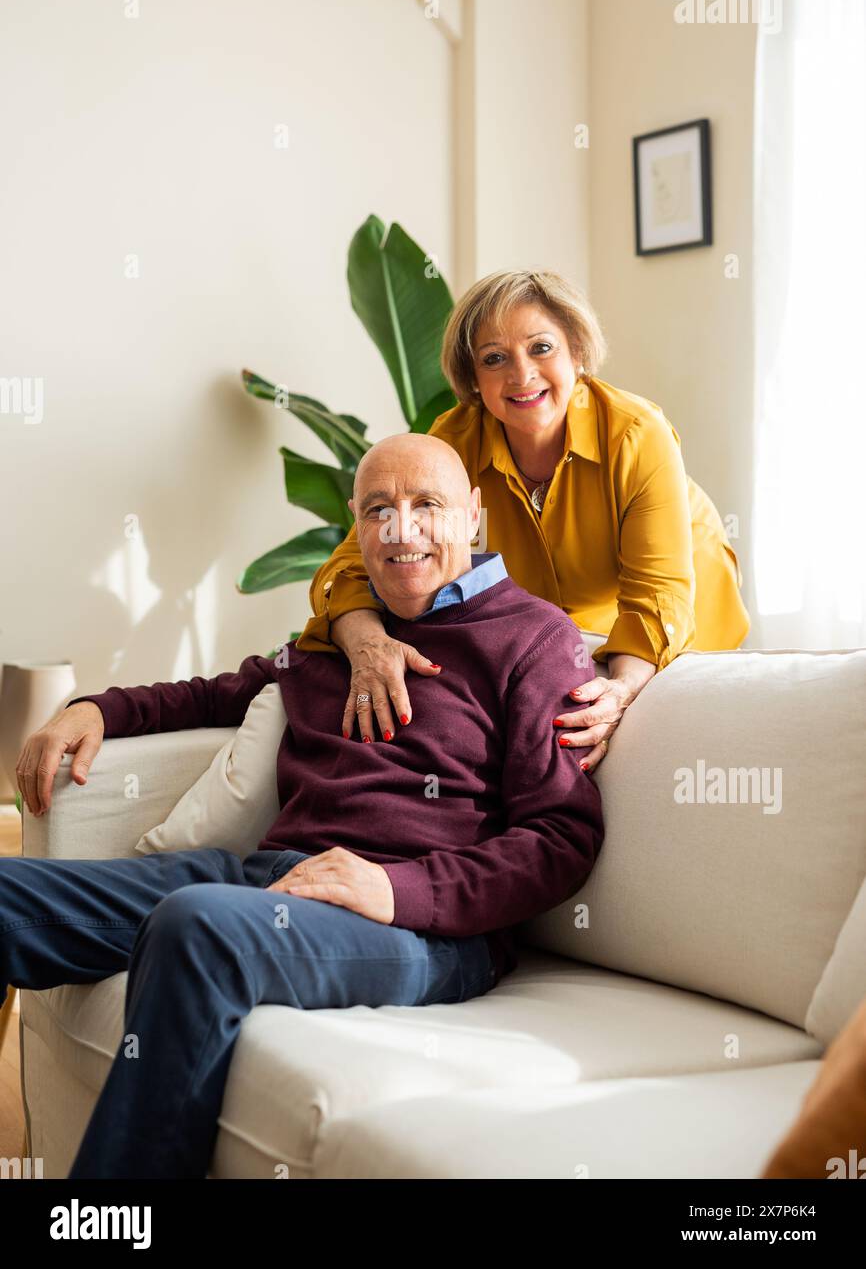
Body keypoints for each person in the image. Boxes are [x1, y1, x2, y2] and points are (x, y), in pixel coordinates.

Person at [9, 432, 604, 1180]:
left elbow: (561, 837)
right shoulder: (335, 643)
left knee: (199, 928)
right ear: (357, 526)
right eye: (380, 509)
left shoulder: (535, 639)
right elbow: (214, 692)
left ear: (474, 517)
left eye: (428, 506)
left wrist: (399, 888)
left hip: (423, 931)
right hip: (269, 881)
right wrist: (95, 709)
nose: (402, 529)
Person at [298, 269, 750, 773]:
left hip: (679, 613)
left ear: (576, 351)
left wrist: (621, 690)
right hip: (559, 635)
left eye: (541, 348)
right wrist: (368, 643)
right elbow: (350, 567)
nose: (521, 375)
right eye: (494, 358)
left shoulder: (637, 434)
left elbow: (657, 596)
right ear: (472, 379)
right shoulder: (452, 443)